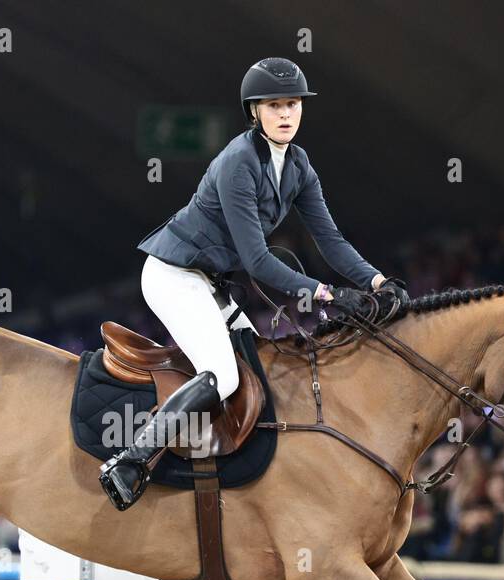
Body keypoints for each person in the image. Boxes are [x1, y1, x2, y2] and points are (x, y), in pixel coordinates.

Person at [99, 57, 407, 510]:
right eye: (275, 105)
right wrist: (327, 293)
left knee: (260, 366)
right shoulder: (238, 162)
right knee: (223, 376)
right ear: (255, 112)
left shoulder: (299, 165)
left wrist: (380, 281)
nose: (286, 114)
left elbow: (331, 240)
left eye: (293, 104)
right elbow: (259, 262)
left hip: (209, 282)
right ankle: (131, 460)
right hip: (173, 275)